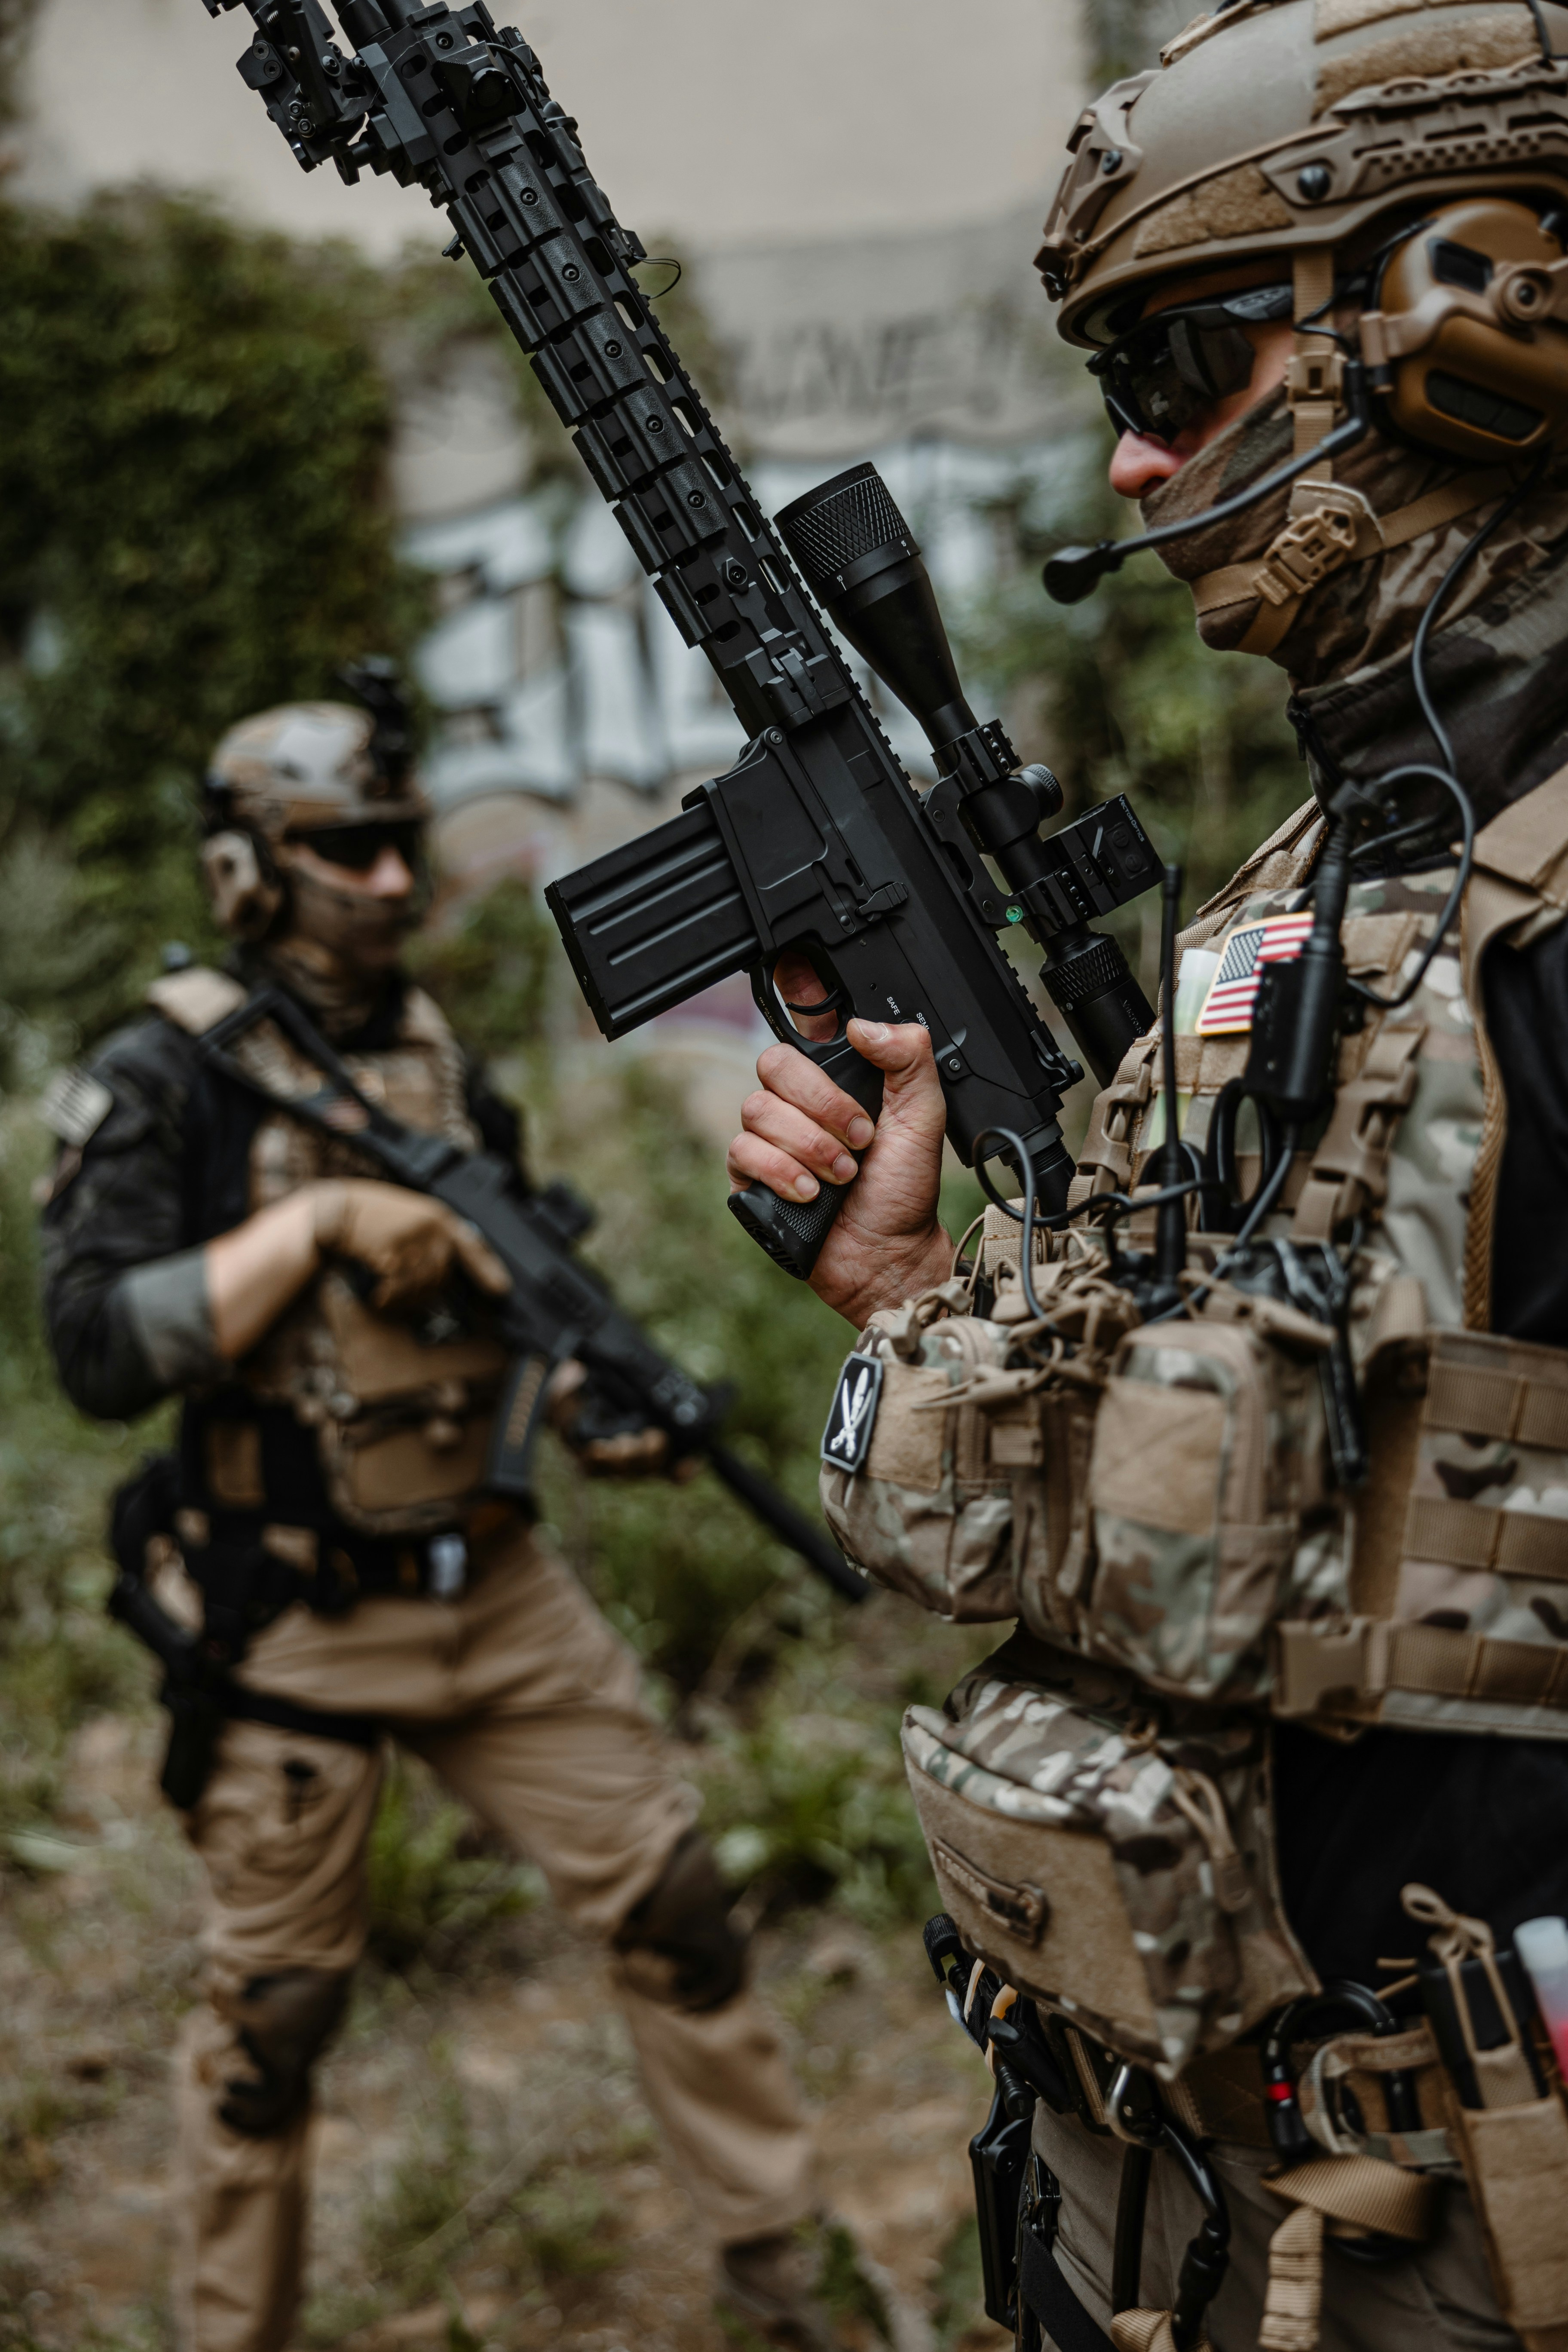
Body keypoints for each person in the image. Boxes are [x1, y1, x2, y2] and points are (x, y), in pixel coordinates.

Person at [729, 1, 1568, 2343]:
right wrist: (905, 1296)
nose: (1129, 462)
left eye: (1186, 363)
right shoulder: (1333, 872)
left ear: (1477, 318)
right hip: (1197, 2192)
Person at [39, 677, 855, 2352]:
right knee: (271, 2029)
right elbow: (94, 1347)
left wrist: (578, 1413)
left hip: (496, 1596)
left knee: (684, 1918)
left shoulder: (436, 1065)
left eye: (404, 847)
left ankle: (803, 2296)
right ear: (252, 869)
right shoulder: (165, 1078)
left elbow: (494, 1338)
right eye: (348, 851)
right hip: (284, 1620)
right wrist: (313, 1227)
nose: (396, 882)